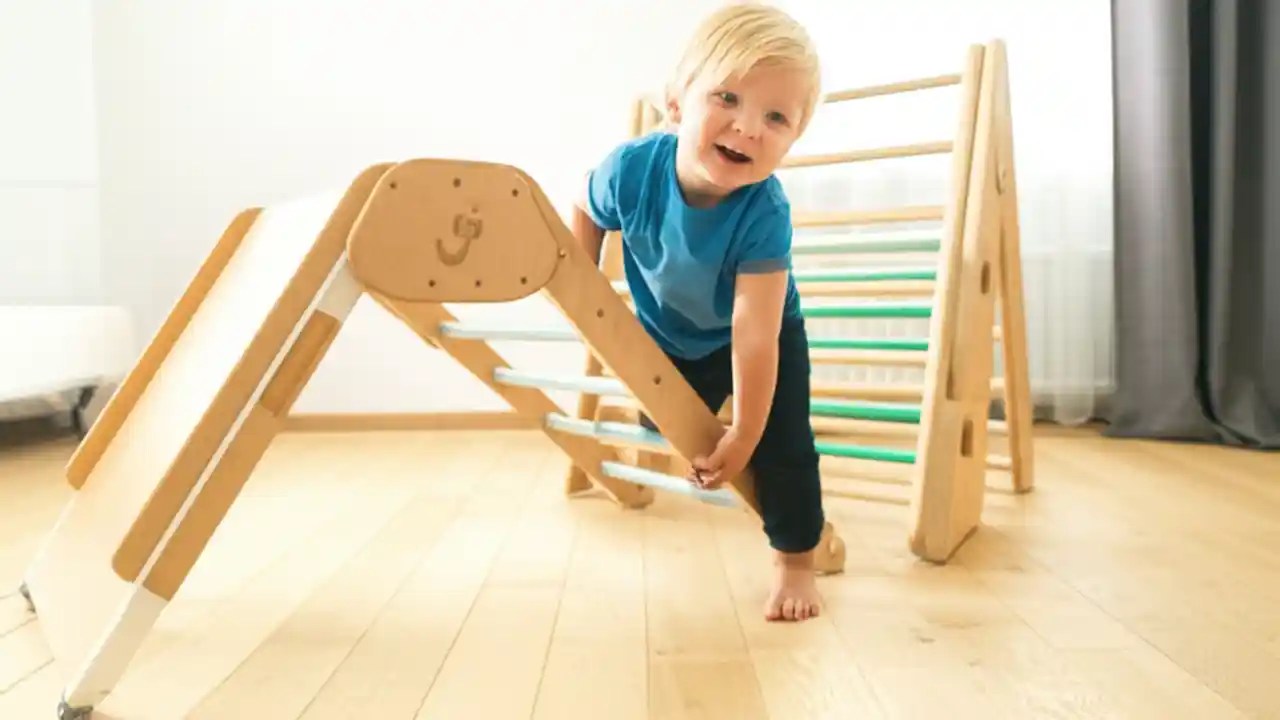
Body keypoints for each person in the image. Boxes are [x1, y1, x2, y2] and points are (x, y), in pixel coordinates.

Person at [570, 1, 828, 622]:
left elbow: (754, 336)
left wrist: (746, 433)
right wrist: (582, 285)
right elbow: (585, 209)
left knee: (784, 446)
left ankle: (796, 561)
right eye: (727, 98)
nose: (748, 127)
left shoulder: (764, 213)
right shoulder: (631, 170)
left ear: (793, 140)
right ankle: (715, 429)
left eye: (776, 117)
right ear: (677, 104)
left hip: (761, 334)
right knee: (666, 424)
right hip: (669, 331)